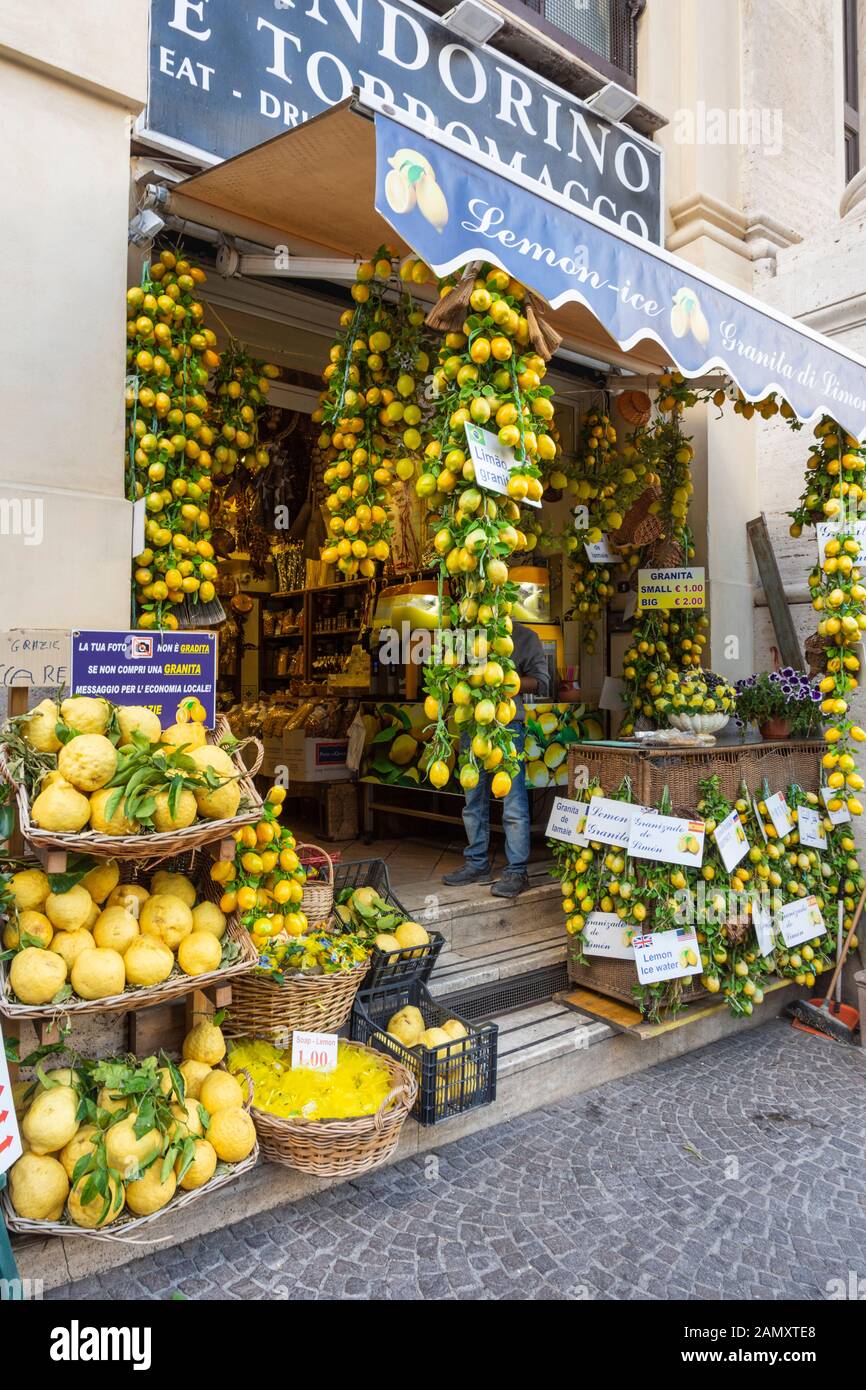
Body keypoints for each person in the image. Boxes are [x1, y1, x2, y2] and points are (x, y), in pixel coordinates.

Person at [443, 621, 549, 898]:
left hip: (508, 727)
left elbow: (541, 681)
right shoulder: (468, 635)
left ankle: (517, 871)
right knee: (472, 799)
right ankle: (477, 863)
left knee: (513, 801)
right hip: (471, 726)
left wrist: (501, 681)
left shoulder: (525, 637)